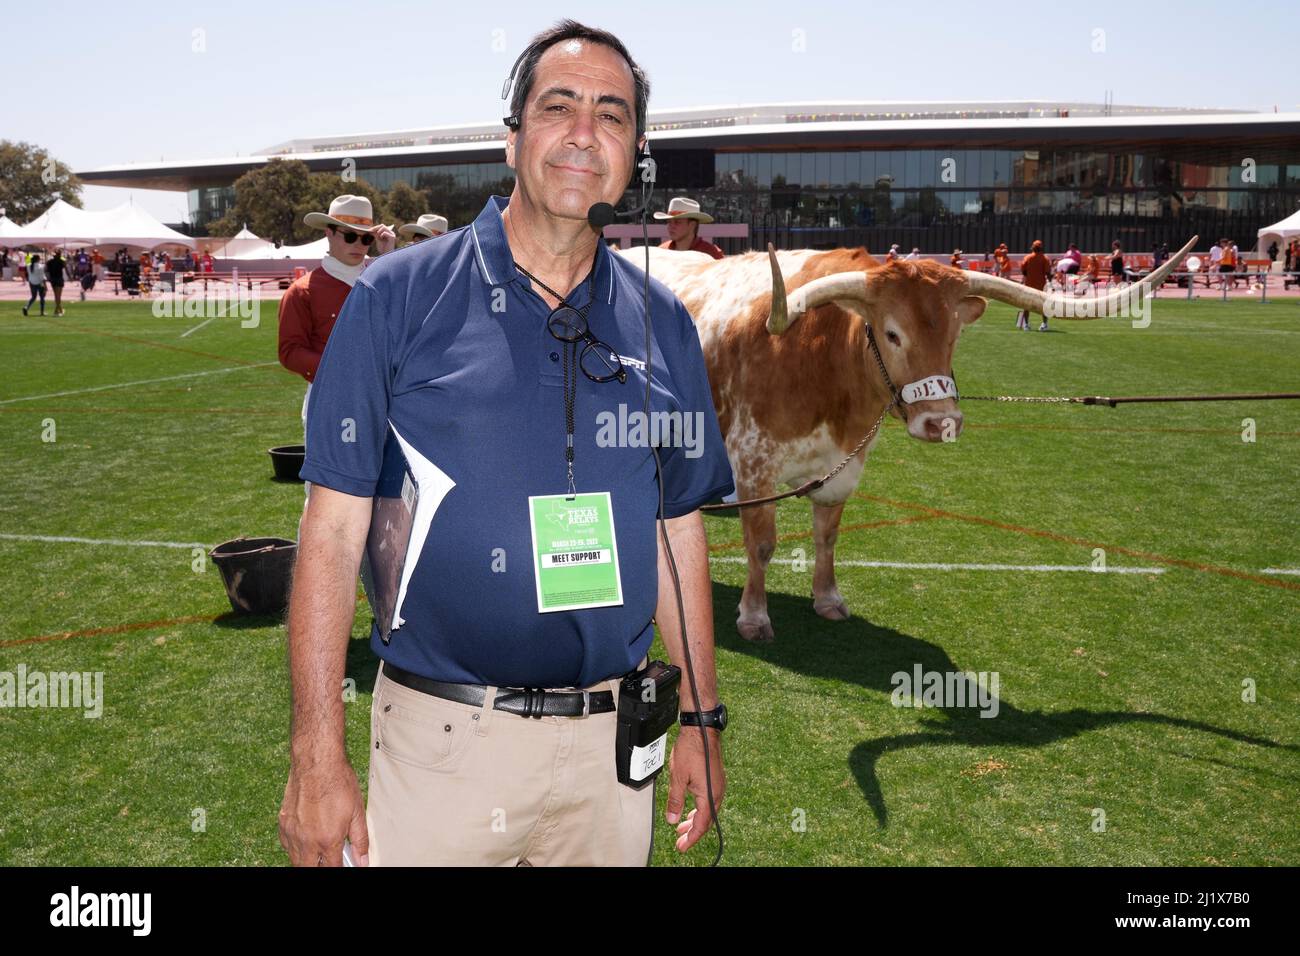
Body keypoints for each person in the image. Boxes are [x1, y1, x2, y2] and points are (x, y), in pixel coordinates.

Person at [278, 19, 734, 868]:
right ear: (513, 136)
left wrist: (703, 719)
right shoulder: (396, 296)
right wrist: (314, 753)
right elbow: (331, 534)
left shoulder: (664, 322)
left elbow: (677, 534)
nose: (584, 134)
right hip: (442, 745)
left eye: (613, 114)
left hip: (611, 763)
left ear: (635, 151)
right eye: (559, 106)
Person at [277, 194, 397, 495]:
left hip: (386, 402)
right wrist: (341, 370)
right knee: (326, 494)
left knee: (385, 493)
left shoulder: (385, 278)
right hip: (330, 401)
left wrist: (388, 258)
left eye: (366, 238)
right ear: (328, 233)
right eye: (350, 236)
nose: (359, 245)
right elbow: (290, 352)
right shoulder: (302, 291)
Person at [655, 197, 723, 259]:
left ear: (692, 225)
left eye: (677, 222)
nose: (671, 226)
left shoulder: (711, 254)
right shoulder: (661, 252)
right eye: (669, 222)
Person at [1018, 239, 1051, 331]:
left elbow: (1023, 270)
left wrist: (1028, 276)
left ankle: (1026, 325)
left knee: (1026, 305)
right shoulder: (1045, 258)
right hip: (1041, 285)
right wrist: (1051, 281)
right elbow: (1047, 272)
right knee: (1043, 305)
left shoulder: (1028, 257)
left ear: (1033, 248)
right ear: (1041, 248)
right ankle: (1044, 324)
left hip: (1029, 284)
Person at [47, 250, 68, 316]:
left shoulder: (50, 262)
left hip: (52, 279)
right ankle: (56, 311)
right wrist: (70, 276)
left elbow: (46, 269)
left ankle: (60, 310)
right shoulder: (61, 261)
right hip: (59, 279)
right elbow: (65, 266)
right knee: (58, 296)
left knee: (56, 296)